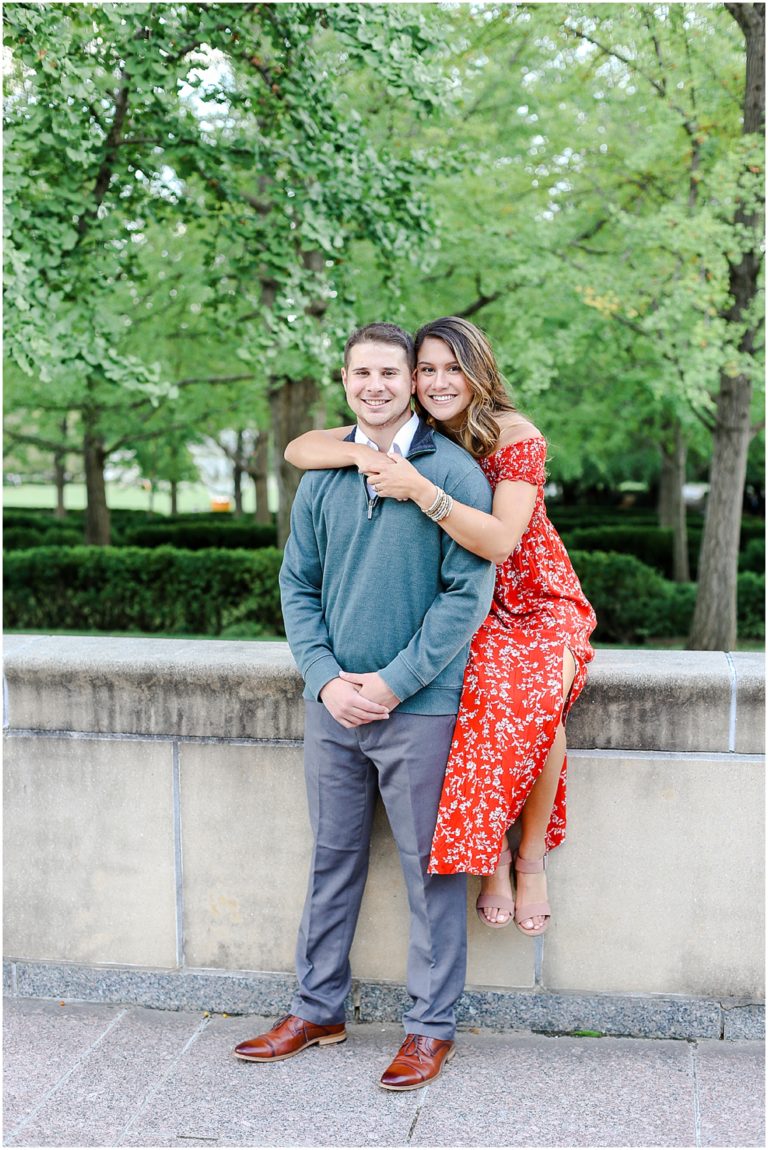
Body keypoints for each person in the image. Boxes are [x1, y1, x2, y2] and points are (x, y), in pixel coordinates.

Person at [233, 322, 495, 1090]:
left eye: (390, 371)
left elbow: (465, 596)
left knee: (429, 872)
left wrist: (391, 683)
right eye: (360, 373)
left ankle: (429, 1029)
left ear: (415, 380)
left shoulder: (453, 473)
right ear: (344, 381)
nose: (374, 385)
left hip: (419, 706)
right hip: (333, 706)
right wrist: (325, 679)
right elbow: (298, 586)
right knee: (332, 861)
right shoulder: (325, 475)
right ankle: (316, 1009)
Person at [284, 315, 596, 935]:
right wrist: (358, 452)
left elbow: (504, 543)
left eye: (453, 368)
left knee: (536, 698)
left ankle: (525, 858)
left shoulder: (512, 434)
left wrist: (421, 491)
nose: (438, 380)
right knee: (473, 695)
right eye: (426, 369)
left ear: (478, 371)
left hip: (531, 595)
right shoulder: (416, 431)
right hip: (464, 599)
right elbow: (299, 449)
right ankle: (496, 855)